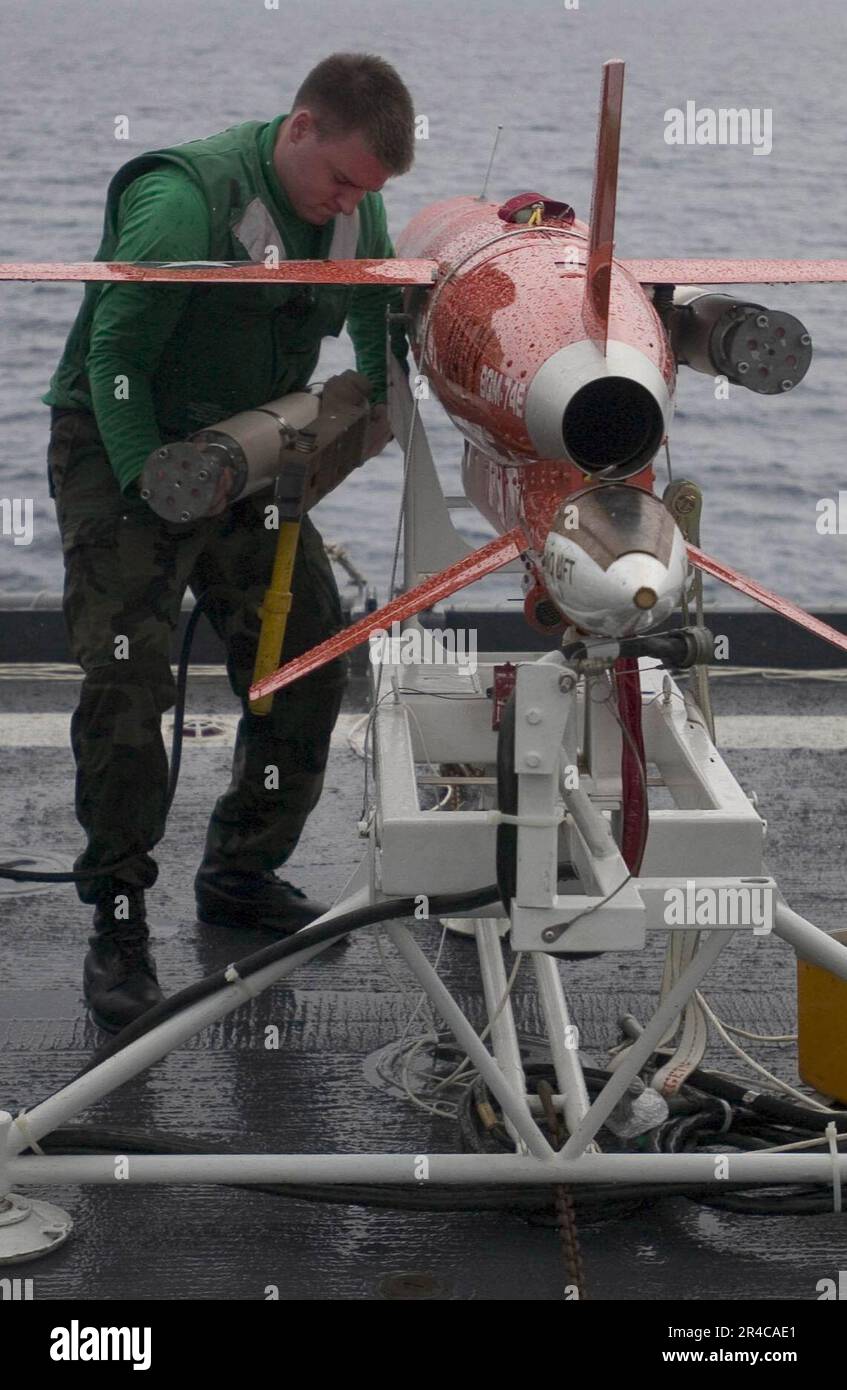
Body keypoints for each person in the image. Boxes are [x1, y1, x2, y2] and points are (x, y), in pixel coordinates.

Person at [41, 52, 415, 1032]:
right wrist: (145, 485)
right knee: (127, 675)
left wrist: (375, 397)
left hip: (243, 447)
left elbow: (373, 312)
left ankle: (241, 871)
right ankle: (118, 918)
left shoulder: (351, 204)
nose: (352, 204)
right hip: (123, 440)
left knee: (309, 648)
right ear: (298, 128)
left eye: (367, 192)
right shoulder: (180, 206)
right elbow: (115, 361)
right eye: (341, 178)